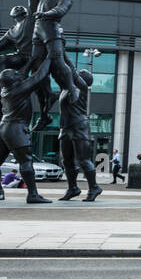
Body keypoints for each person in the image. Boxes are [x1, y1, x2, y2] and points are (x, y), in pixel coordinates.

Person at [0, 58, 54, 204]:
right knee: (26, 161)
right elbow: (40, 75)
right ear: (13, 80)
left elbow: (23, 74)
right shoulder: (20, 88)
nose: (19, 73)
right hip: (16, 129)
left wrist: (30, 60)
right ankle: (32, 195)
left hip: (1, 129)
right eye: (15, 73)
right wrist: (50, 56)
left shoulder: (3, 90)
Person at [27, 0, 86, 131]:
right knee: (36, 64)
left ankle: (70, 86)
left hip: (51, 28)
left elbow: (58, 12)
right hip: (39, 27)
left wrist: (44, 13)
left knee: (57, 60)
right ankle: (45, 110)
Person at [58, 69, 101, 202]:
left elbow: (67, 68)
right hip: (66, 128)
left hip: (79, 126)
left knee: (83, 160)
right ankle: (73, 188)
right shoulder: (66, 87)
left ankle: (94, 187)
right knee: (66, 160)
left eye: (79, 73)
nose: (76, 73)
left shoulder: (81, 87)